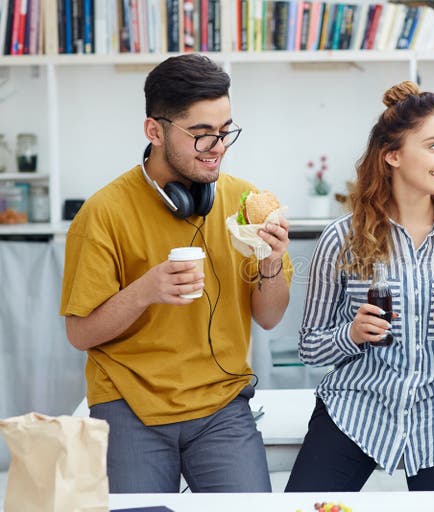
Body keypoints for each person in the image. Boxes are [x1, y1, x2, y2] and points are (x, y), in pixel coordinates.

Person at [59, 54, 293, 493]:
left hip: (223, 405)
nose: (218, 147)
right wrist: (145, 290)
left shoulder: (248, 201)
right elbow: (79, 334)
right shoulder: (102, 213)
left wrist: (271, 260)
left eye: (225, 133)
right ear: (155, 131)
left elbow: (270, 317)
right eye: (202, 136)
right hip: (129, 405)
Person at [285, 81, 434, 492]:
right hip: (357, 408)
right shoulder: (340, 239)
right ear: (392, 155)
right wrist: (351, 334)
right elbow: (309, 346)